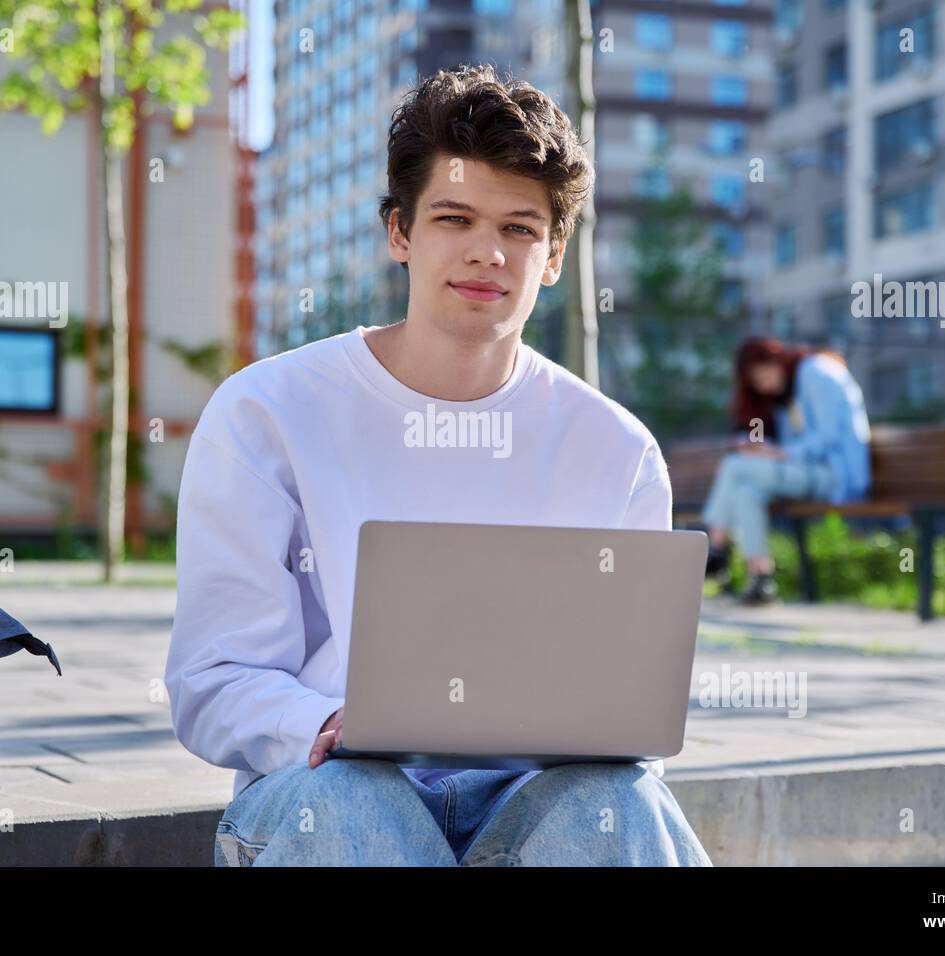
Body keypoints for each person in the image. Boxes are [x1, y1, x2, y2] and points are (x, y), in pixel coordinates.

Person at [163, 64, 713, 867]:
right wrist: (319, 725)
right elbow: (212, 680)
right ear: (400, 233)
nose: (487, 251)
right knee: (361, 805)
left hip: (525, 799)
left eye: (521, 229)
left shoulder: (617, 450)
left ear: (554, 256)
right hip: (330, 792)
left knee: (621, 803)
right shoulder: (267, 411)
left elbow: (625, 717)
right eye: (454, 218)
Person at [702, 337, 871, 605]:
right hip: (808, 472)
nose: (764, 385)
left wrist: (781, 453)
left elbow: (828, 438)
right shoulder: (788, 392)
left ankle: (717, 548)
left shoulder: (816, 371)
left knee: (735, 466)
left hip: (836, 475)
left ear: (777, 360)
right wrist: (766, 448)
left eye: (764, 374)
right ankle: (761, 579)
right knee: (747, 491)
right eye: (757, 381)